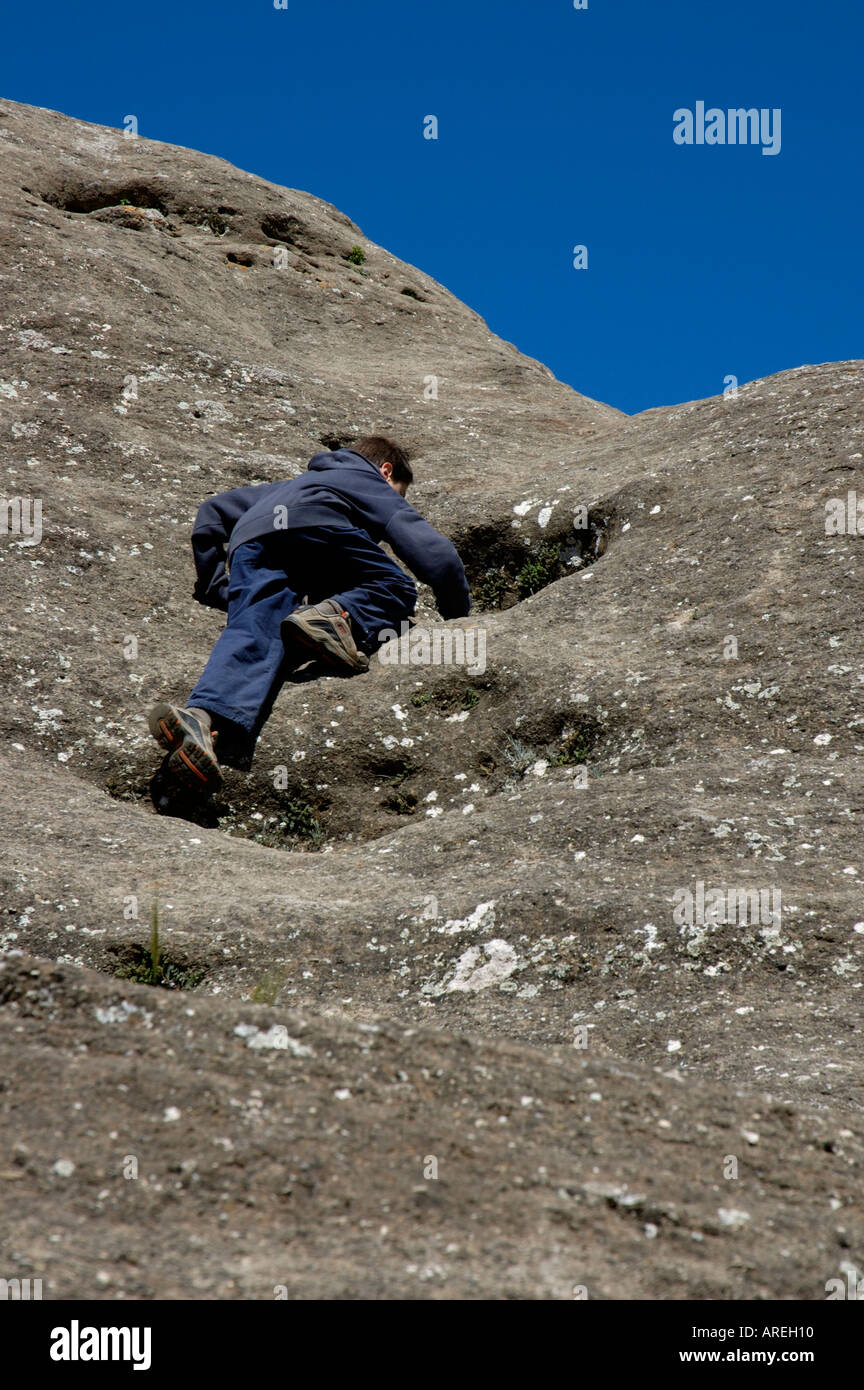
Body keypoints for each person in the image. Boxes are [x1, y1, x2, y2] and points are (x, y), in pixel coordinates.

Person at [147, 435, 471, 797]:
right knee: (394, 586)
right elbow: (436, 556)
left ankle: (201, 722)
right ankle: (334, 618)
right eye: (398, 493)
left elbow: (213, 511)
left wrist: (215, 586)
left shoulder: (290, 486)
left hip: (253, 544)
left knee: (258, 633)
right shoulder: (366, 480)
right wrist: (460, 618)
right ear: (385, 470)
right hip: (318, 529)